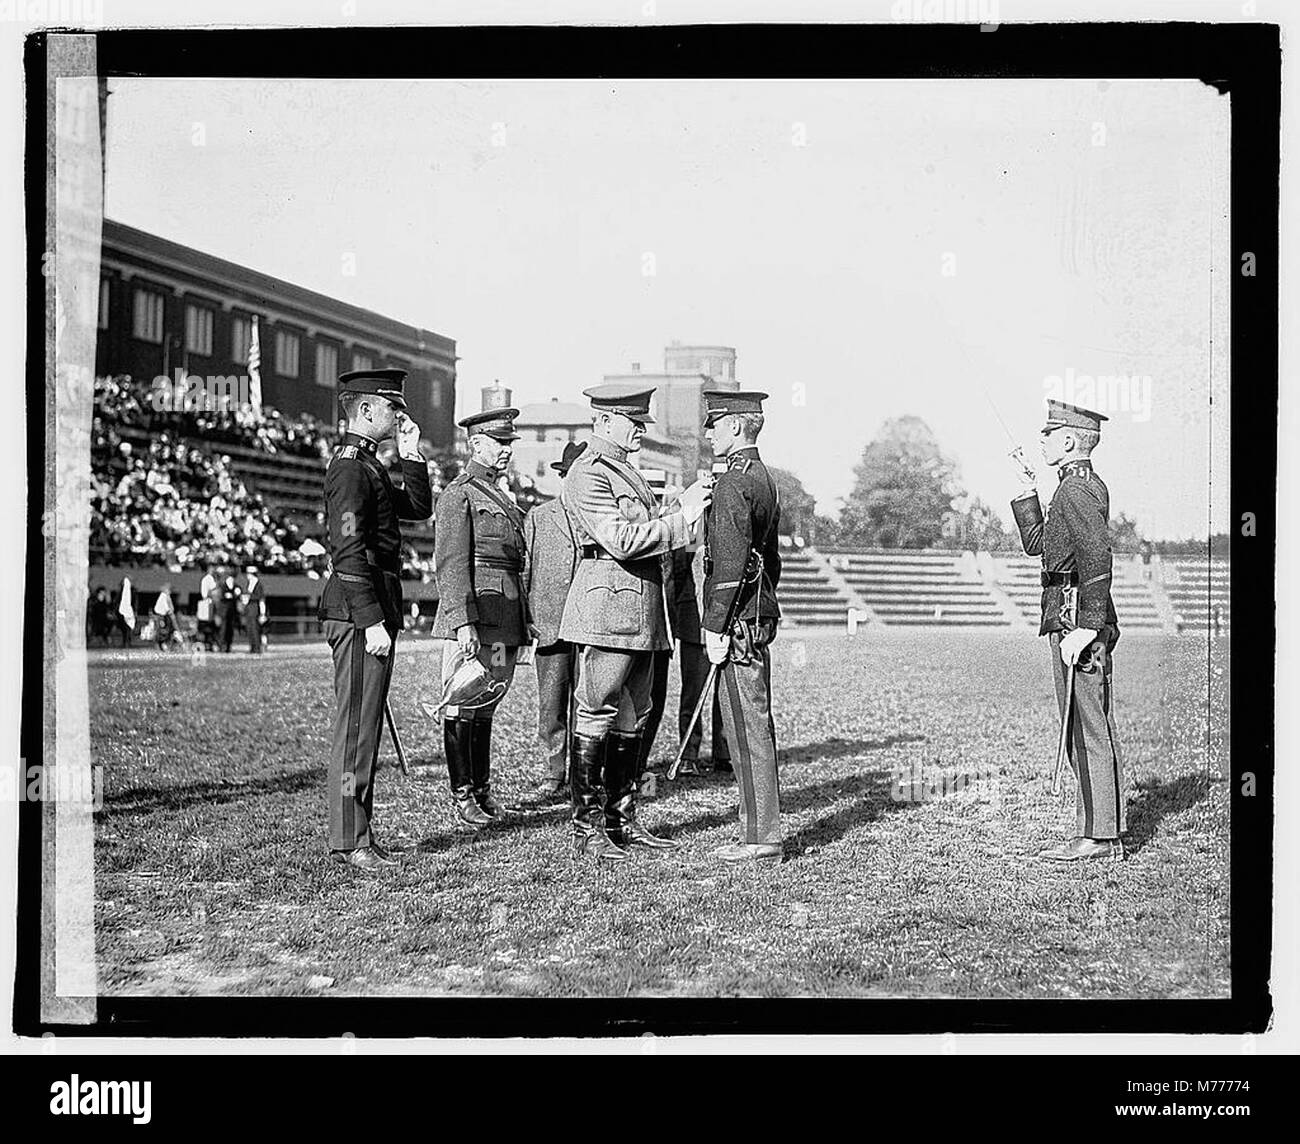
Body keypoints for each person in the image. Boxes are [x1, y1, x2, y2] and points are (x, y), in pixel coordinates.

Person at [558, 383, 712, 862]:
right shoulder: (588, 474)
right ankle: (586, 828)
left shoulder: (625, 472)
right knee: (598, 709)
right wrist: (682, 516)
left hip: (643, 610)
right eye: (633, 423)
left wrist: (680, 508)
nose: (641, 431)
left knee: (633, 716)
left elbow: (647, 533)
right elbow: (622, 540)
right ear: (604, 422)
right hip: (608, 609)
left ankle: (620, 821)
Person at [318, 367, 432, 873]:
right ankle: (350, 839)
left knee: (364, 725)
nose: (399, 415)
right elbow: (346, 550)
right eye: (393, 408)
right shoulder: (348, 469)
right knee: (357, 727)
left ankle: (357, 834)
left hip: (371, 607)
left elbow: (417, 508)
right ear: (366, 411)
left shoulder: (369, 464)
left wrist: (411, 454)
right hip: (358, 610)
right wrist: (370, 621)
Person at [1009, 399, 1126, 862]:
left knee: (1089, 726)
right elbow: (1040, 546)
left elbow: (1098, 558)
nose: (1041, 440)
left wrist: (1088, 627)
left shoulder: (1077, 492)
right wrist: (1027, 491)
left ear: (1070, 440)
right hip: (1070, 613)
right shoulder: (1069, 490)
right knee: (1081, 724)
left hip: (1077, 619)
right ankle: (1096, 830)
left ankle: (1099, 837)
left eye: (1048, 433)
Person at [430, 406, 531, 827]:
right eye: (499, 443)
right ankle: (463, 795)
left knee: (486, 702)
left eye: (509, 443)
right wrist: (462, 622)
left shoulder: (501, 497)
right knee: (460, 705)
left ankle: (484, 790)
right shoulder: (460, 494)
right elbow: (451, 563)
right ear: (476, 444)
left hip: (505, 617)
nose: (507, 450)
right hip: (474, 617)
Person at [699, 390, 784, 865]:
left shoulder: (733, 483)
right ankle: (759, 828)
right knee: (754, 723)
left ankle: (760, 836)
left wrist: (715, 624)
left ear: (734, 426)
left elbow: (729, 566)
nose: (710, 433)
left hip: (737, 621)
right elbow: (771, 562)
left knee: (747, 728)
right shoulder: (764, 479)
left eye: (714, 424)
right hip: (757, 613)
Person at [522, 441, 585, 801]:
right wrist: (528, 621)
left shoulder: (597, 515)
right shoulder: (539, 517)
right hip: (549, 625)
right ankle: (554, 769)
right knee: (551, 704)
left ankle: (583, 769)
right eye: (570, 477)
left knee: (586, 703)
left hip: (589, 625)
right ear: (561, 478)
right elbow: (526, 570)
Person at [668, 539, 732, 776]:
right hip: (693, 621)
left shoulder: (729, 512)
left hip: (724, 617)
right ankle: (688, 753)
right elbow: (678, 567)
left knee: (724, 692)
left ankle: (724, 753)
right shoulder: (691, 522)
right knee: (693, 693)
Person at [243, 564, 267, 653]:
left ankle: (256, 647)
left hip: (254, 607)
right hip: (250, 608)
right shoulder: (250, 583)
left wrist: (262, 613)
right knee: (250, 628)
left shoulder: (257, 584)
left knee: (254, 628)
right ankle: (252, 647)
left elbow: (260, 598)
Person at [197, 563, 218, 650]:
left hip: (214, 604)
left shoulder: (214, 578)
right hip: (208, 604)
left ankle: (210, 643)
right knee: (206, 626)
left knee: (212, 626)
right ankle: (205, 644)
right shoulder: (206, 579)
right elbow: (205, 594)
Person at [152, 583, 177, 650]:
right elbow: (165, 606)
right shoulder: (163, 596)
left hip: (164, 616)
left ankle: (164, 644)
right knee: (161, 631)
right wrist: (169, 611)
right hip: (160, 616)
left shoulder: (167, 596)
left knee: (166, 630)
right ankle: (159, 644)